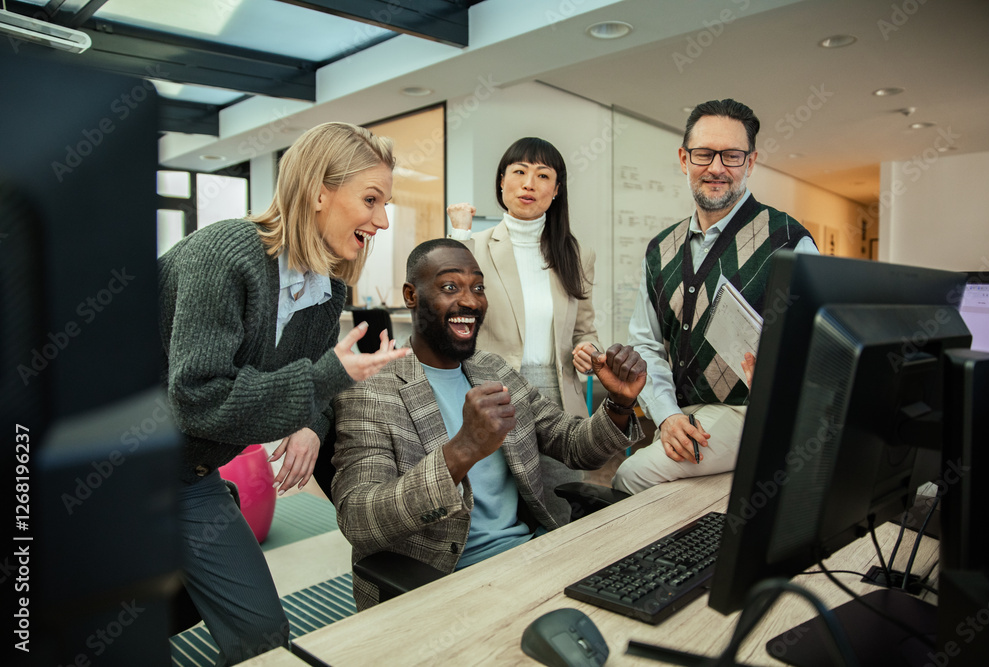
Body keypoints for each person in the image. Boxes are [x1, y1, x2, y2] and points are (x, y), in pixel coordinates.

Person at [159, 122, 408, 664]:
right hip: (110, 474)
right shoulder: (225, 254)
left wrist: (311, 426)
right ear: (319, 191)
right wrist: (326, 381)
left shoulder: (325, 292)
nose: (382, 221)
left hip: (190, 478)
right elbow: (198, 398)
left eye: (385, 204)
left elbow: (312, 382)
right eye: (371, 200)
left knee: (263, 637)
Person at [331, 239, 646, 610]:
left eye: (478, 287)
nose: (470, 301)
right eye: (451, 287)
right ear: (411, 295)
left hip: (533, 556)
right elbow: (360, 519)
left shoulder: (493, 370)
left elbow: (575, 445)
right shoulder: (370, 391)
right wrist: (462, 450)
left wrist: (620, 403)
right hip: (449, 584)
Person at [613, 99, 818, 495]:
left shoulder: (790, 241)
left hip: (750, 414)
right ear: (684, 159)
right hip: (683, 412)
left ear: (750, 162)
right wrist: (667, 416)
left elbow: (820, 350)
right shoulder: (659, 250)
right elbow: (646, 344)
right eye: (704, 154)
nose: (717, 168)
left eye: (732, 156)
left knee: (630, 476)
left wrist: (781, 373)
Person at [447, 137, 602, 522]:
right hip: (492, 394)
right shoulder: (474, 246)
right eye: (519, 172)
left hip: (557, 398)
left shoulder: (577, 254)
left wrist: (589, 351)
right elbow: (449, 309)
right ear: (502, 181)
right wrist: (459, 236)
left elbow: (585, 330)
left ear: (557, 189)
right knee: (497, 514)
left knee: (560, 510)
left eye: (542, 175)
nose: (529, 184)